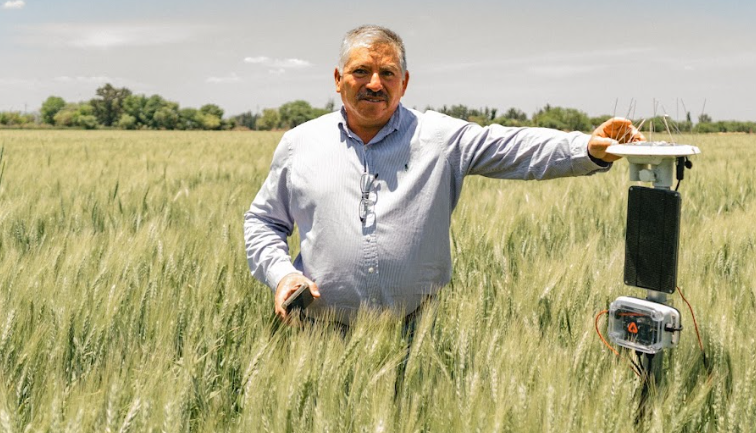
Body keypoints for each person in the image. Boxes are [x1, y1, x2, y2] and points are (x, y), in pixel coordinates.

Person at [243, 25, 644, 324]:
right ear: (338, 79)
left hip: (413, 331)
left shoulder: (438, 136)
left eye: (388, 73)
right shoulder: (300, 143)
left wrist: (586, 148)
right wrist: (281, 275)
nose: (374, 84)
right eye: (361, 71)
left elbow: (513, 146)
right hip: (317, 330)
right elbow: (263, 221)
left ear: (405, 83)